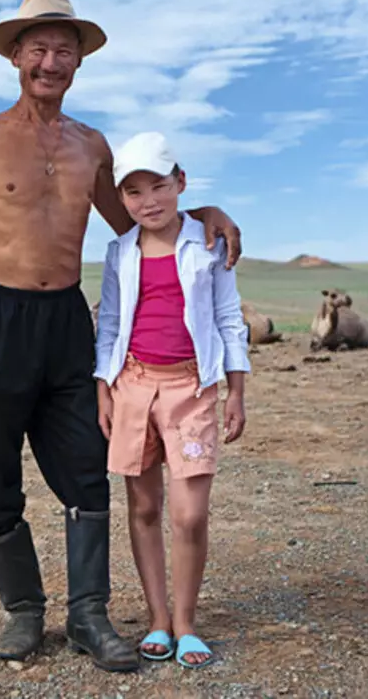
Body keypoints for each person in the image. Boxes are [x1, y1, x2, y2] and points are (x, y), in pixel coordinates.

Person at [0, 0, 243, 672]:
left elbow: (140, 225)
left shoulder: (91, 146)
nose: (50, 60)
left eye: (63, 50)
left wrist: (203, 209)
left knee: (88, 470)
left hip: (67, 320)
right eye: (37, 47)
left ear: (78, 63)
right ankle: (23, 611)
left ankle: (89, 614)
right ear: (15, 55)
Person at [94, 130, 250, 669]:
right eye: (133, 192)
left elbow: (230, 319)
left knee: (189, 515)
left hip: (192, 388)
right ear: (121, 198)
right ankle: (158, 619)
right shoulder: (119, 253)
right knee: (143, 506)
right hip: (133, 385)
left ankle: (187, 622)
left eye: (158, 185)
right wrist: (103, 388)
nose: (148, 201)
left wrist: (236, 391)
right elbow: (110, 322)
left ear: (180, 183)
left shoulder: (206, 246)